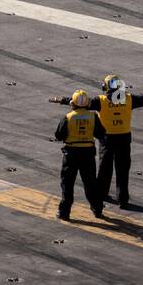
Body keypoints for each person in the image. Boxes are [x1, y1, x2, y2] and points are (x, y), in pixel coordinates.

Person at [51, 75, 143, 208]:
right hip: (124, 138)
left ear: (106, 87)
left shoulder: (101, 100)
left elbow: (82, 103)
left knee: (105, 169)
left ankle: (102, 194)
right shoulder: (128, 99)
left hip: (107, 138)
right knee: (123, 169)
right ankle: (123, 199)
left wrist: (63, 100)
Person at [54, 90, 106, 221]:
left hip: (71, 153)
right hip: (88, 153)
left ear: (73, 103)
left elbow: (59, 135)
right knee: (90, 183)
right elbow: (100, 133)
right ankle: (97, 209)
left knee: (67, 183)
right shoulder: (93, 116)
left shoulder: (68, 117)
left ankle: (64, 213)